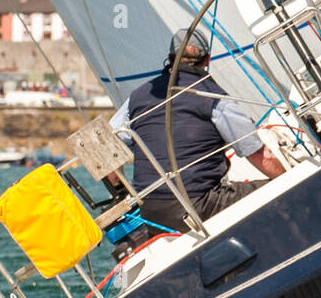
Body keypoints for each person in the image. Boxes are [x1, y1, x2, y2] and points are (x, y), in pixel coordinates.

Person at [118, 28, 285, 231]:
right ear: (207, 60)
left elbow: (109, 141)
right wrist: (289, 180)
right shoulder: (213, 96)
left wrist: (118, 189)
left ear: (170, 59)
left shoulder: (136, 98)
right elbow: (257, 154)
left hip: (151, 213)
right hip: (198, 205)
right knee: (279, 191)